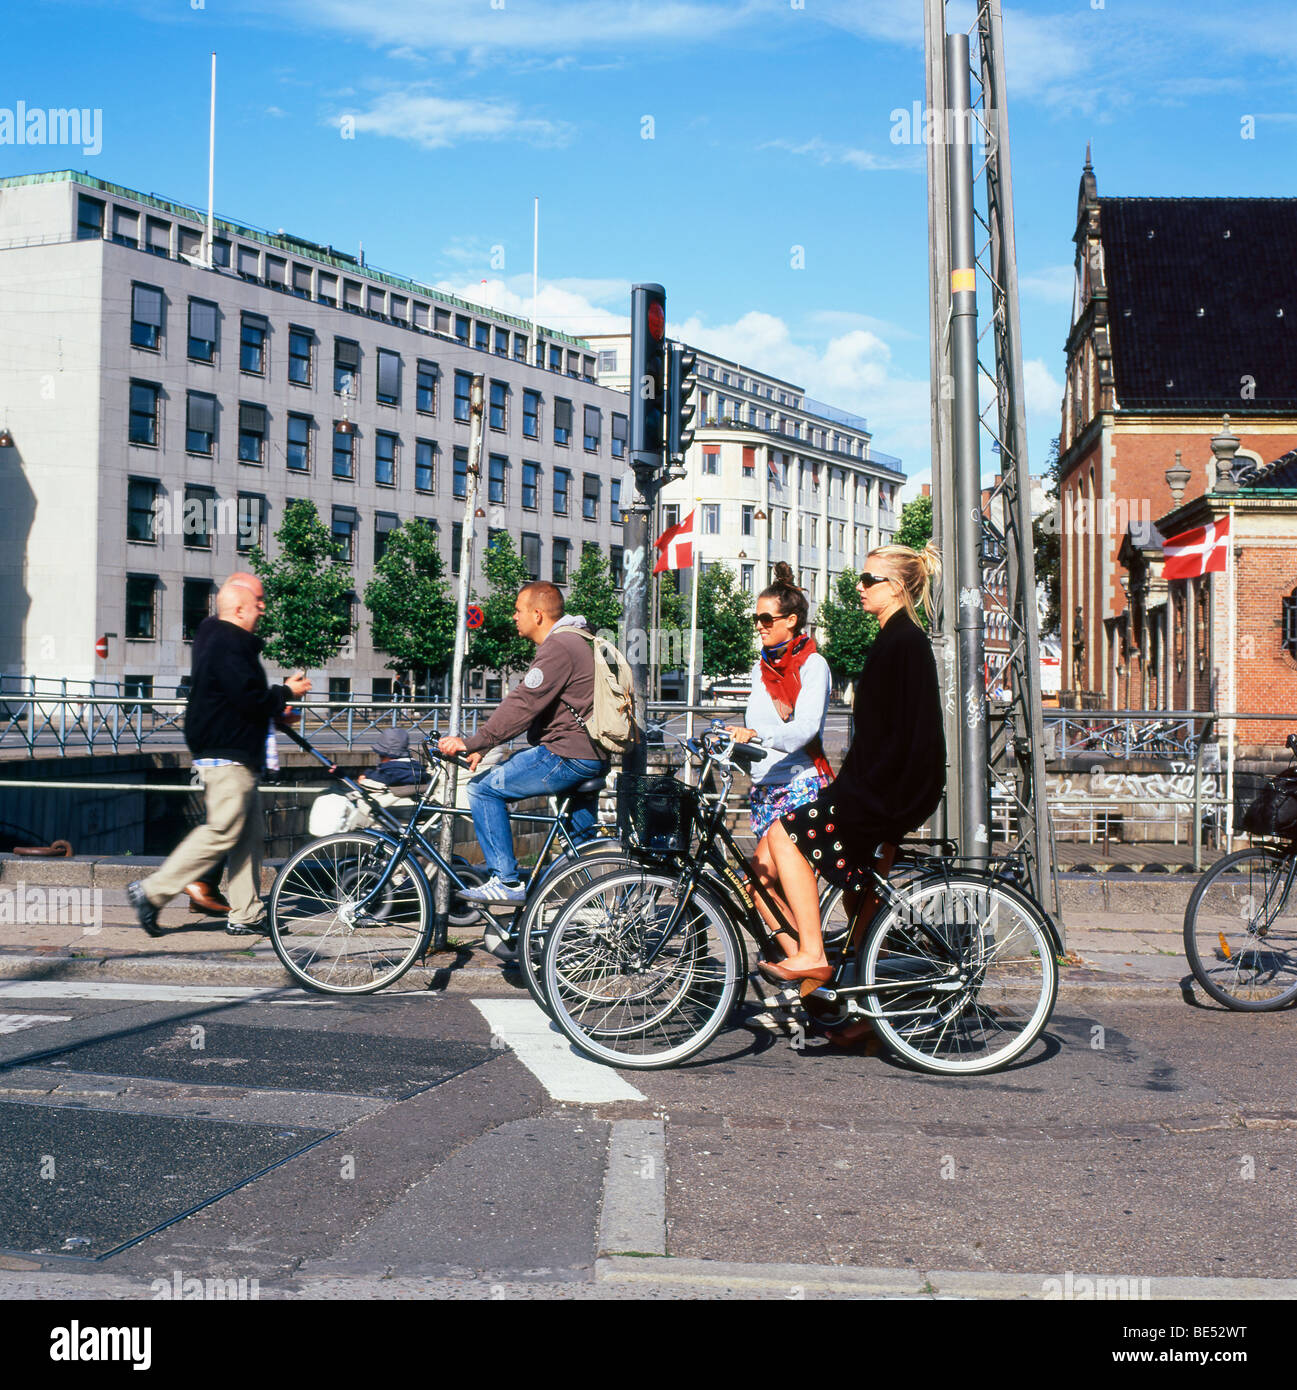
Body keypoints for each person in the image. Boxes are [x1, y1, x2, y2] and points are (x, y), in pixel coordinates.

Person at [757, 541, 946, 986]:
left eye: (868, 580)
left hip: (889, 792)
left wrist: (850, 792)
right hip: (890, 787)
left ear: (897, 587)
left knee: (785, 838)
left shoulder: (903, 641)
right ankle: (862, 1007)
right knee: (858, 897)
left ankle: (810, 954)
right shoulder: (896, 637)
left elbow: (897, 737)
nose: (858, 587)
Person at [127, 573, 311, 937]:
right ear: (239, 607)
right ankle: (151, 891)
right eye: (258, 599)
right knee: (224, 829)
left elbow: (237, 699)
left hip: (233, 751)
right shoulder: (228, 641)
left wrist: (274, 710)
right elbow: (246, 696)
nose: (263, 606)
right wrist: (285, 692)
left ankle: (246, 913)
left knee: (249, 835)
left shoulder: (217, 638)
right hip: (228, 755)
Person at [438, 582, 608, 905]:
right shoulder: (582, 640)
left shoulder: (559, 647)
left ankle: (505, 880)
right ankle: (592, 916)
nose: (513, 616)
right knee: (579, 851)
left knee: (482, 789)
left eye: (518, 610)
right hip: (591, 754)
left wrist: (476, 741)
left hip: (567, 754)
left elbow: (523, 703)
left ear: (538, 614)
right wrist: (485, 747)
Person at [725, 562, 832, 963]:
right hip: (765, 790)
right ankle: (809, 973)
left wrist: (758, 736)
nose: (759, 626)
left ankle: (811, 962)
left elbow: (804, 729)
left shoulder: (812, 665)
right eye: (756, 618)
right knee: (762, 888)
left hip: (800, 786)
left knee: (762, 883)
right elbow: (758, 727)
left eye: (766, 618)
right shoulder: (761, 669)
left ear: (792, 620)